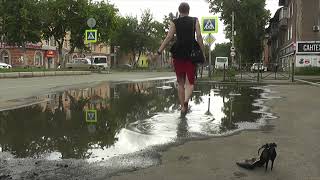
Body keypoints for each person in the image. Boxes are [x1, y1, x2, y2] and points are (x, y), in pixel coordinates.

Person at [157, 2, 205, 117]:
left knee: (180, 82)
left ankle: (183, 107)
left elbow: (169, 37)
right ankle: (186, 100)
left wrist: (159, 50)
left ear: (179, 11)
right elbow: (199, 36)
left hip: (178, 52)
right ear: (188, 10)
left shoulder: (175, 22)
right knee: (190, 82)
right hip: (191, 54)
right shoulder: (195, 20)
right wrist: (203, 52)